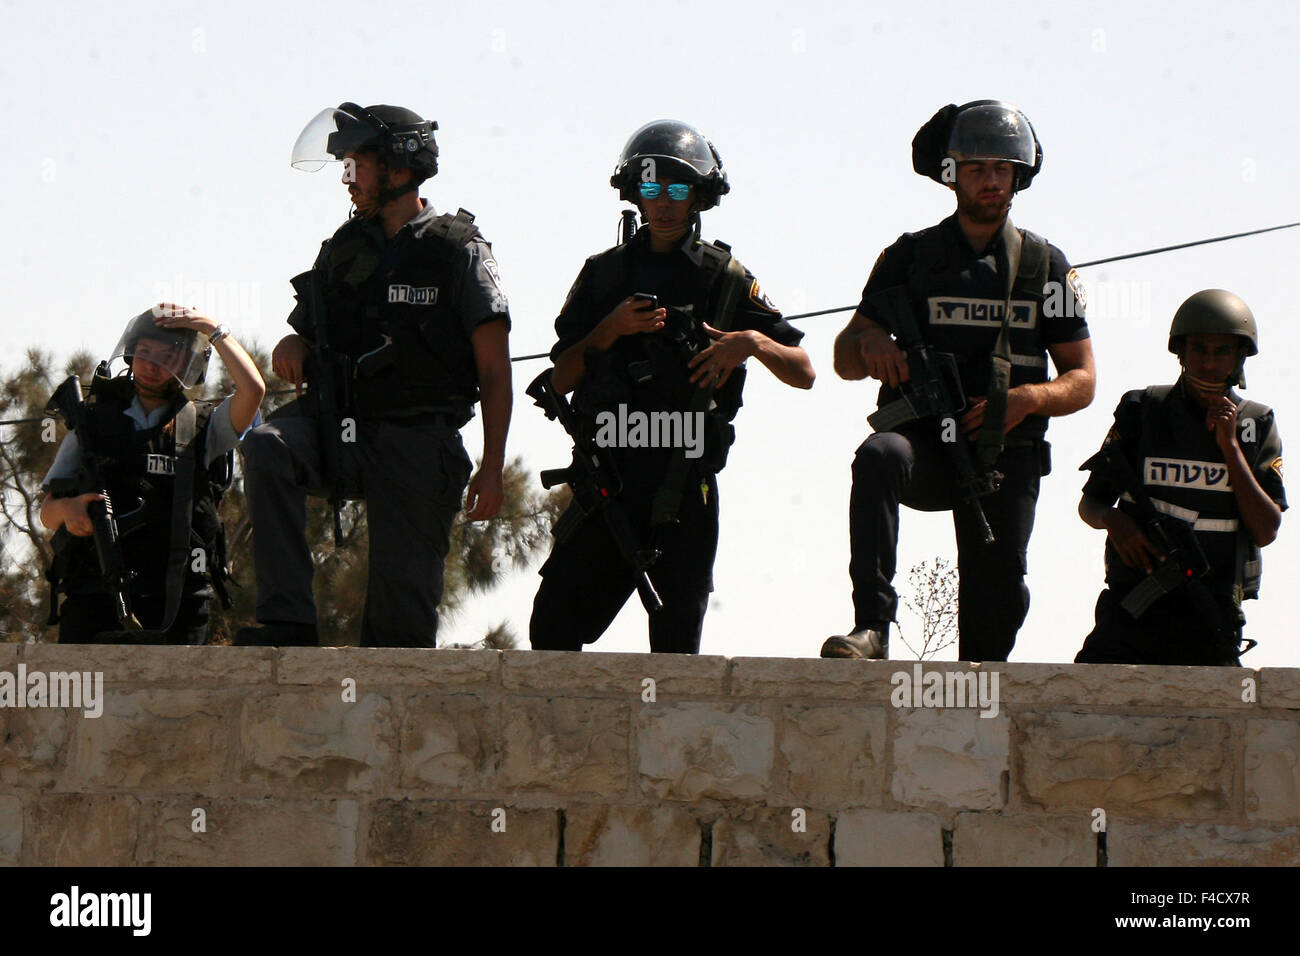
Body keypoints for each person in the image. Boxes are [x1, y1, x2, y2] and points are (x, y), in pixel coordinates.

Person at [823, 100, 1096, 662]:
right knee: (880, 456)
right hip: (925, 445)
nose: (991, 181)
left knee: (992, 617)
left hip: (1003, 455)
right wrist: (870, 343)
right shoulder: (909, 258)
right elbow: (844, 358)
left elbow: (1083, 379)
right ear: (951, 175)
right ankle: (872, 626)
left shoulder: (1046, 265)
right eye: (975, 168)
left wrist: (1027, 399)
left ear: (1019, 174)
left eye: (1001, 168)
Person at [529, 119, 814, 654]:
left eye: (678, 188)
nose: (663, 202)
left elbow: (804, 371)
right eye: (652, 187)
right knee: (552, 630)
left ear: (698, 196)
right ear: (634, 191)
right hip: (607, 486)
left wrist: (749, 342)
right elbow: (559, 378)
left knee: (677, 652)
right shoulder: (602, 275)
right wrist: (610, 329)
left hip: (683, 491)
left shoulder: (725, 278)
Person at [234, 103, 512, 648]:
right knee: (267, 445)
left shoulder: (458, 250)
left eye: (356, 166)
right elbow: (307, 333)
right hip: (338, 427)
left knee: (398, 633)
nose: (347, 181)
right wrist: (294, 342)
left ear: (399, 171)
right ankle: (288, 623)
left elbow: (494, 370)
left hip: (418, 441)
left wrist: (494, 466)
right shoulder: (345, 246)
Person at [1074, 290, 1285, 665]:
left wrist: (1230, 449)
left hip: (1211, 609)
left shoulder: (1255, 423)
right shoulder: (1143, 410)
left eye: (1222, 352)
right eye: (1199, 350)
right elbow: (1091, 502)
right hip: (1134, 605)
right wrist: (1114, 521)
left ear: (1239, 358)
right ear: (1181, 353)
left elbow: (1266, 530)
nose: (1209, 363)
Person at [42, 305, 264, 644]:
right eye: (144, 352)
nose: (152, 365)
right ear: (131, 353)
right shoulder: (92, 423)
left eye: (167, 356)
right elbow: (48, 511)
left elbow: (253, 390)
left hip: (179, 602)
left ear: (188, 365)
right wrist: (70, 512)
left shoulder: (201, 425)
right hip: (95, 597)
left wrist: (212, 329)